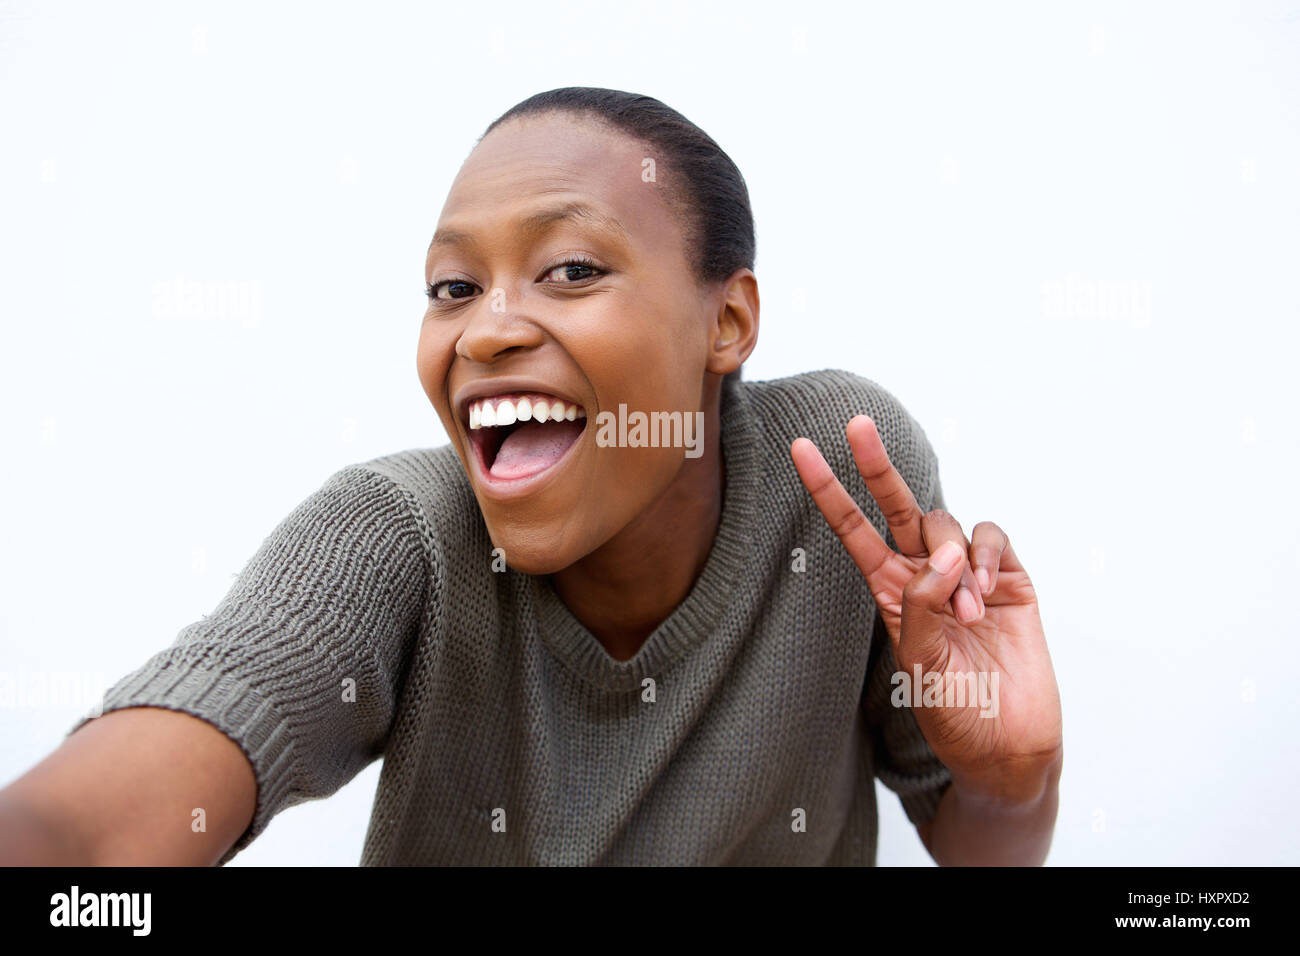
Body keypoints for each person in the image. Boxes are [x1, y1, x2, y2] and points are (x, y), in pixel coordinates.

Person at [0, 87, 1062, 866]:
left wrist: (1014, 774)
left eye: (570, 270)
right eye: (452, 286)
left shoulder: (839, 475)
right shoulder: (397, 537)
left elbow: (983, 848)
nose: (488, 329)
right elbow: (94, 824)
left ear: (727, 320)